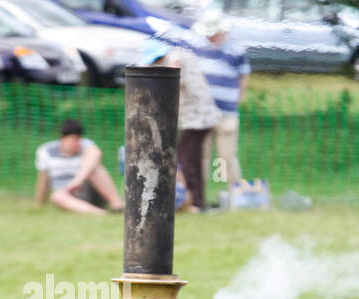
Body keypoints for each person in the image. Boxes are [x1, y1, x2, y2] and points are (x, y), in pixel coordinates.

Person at [139, 37, 222, 211]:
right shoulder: (181, 54)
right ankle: (197, 201)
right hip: (199, 117)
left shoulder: (175, 58)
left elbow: (174, 74)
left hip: (198, 118)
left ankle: (195, 203)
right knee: (191, 159)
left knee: (187, 159)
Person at [192, 11, 250, 191]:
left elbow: (243, 77)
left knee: (227, 157)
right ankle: (198, 198)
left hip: (227, 113)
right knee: (200, 156)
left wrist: (237, 101)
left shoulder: (237, 49)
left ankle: (235, 195)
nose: (211, 37)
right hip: (202, 112)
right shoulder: (197, 47)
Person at [34, 118, 123, 216]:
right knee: (56, 196)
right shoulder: (46, 150)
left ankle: (118, 206)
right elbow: (43, 179)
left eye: (79, 139)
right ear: (63, 138)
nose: (77, 143)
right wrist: (40, 204)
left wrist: (77, 181)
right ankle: (104, 214)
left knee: (96, 169)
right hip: (67, 195)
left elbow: (96, 153)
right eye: (74, 139)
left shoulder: (86, 145)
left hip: (88, 190)